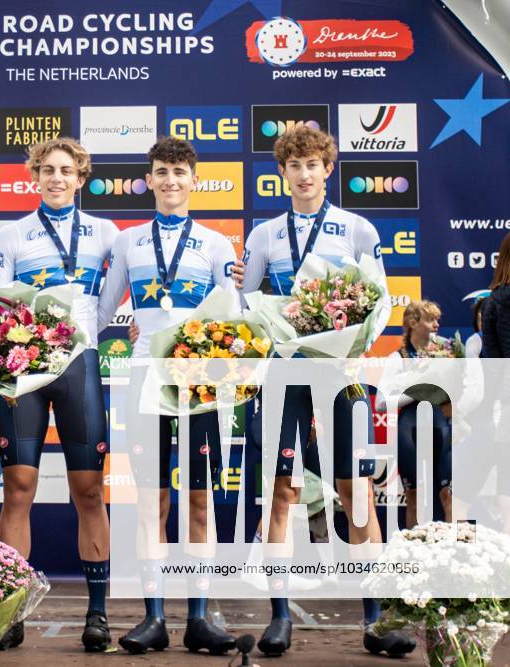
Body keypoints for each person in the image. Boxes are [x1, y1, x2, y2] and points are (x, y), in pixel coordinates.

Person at [240, 125, 415, 657]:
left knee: (357, 492)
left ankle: (378, 619)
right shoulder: (264, 235)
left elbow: (380, 303)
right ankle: (279, 619)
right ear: (283, 173)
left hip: (341, 373)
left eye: (312, 164)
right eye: (294, 166)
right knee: (281, 492)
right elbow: (248, 300)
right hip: (285, 371)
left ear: (327, 169)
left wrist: (354, 339)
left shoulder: (357, 229)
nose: (303, 174)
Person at [97, 136, 239, 655]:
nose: (171, 182)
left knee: (199, 500)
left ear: (194, 181)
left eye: (180, 173)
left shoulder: (218, 244)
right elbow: (102, 309)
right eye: (161, 173)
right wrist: (59, 360)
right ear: (149, 180)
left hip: (203, 385)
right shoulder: (128, 242)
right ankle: (153, 617)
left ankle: (199, 618)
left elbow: (235, 318)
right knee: (151, 502)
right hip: (145, 381)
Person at [0, 137, 117, 652]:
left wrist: (78, 334)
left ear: (81, 178)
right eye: (47, 170)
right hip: (23, 369)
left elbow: (107, 305)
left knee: (88, 490)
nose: (56, 178)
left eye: (66, 171)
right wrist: (33, 343)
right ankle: (10, 609)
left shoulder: (106, 233)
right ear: (33, 177)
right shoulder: (11, 233)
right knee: (18, 488)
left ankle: (99, 613)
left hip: (78, 365)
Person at [375, 301, 453, 527]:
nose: (437, 325)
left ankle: (457, 556)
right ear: (412, 323)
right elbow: (380, 403)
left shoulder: (445, 354)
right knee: (414, 499)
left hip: (441, 426)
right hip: (409, 431)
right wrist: (418, 390)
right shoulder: (396, 359)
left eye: (438, 320)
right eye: (431, 320)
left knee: (450, 496)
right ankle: (412, 559)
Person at [482, 232, 510, 533]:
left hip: (506, 395)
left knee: (507, 474)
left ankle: (507, 546)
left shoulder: (492, 302)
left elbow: (493, 360)